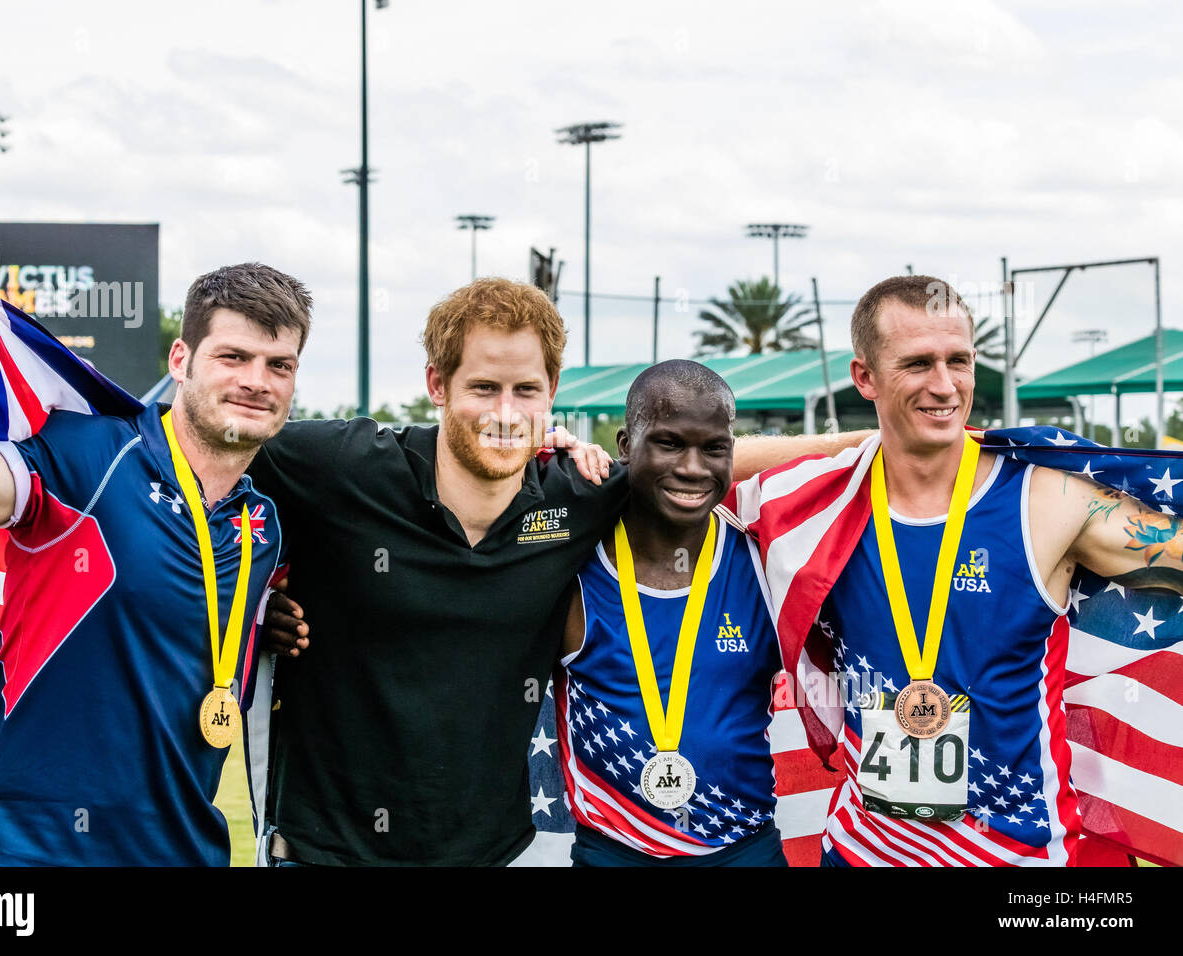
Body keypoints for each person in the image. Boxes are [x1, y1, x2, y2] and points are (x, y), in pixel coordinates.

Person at [251, 276, 865, 866]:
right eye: (484, 387)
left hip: (487, 856)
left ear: (552, 389)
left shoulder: (575, 495)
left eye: (525, 390)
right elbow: (208, 475)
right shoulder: (338, 465)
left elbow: (708, 457)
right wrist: (259, 605)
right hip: (324, 851)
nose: (505, 412)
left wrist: (899, 442)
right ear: (437, 384)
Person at [0, 241, 310, 865]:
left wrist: (269, 620)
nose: (256, 381)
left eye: (280, 365)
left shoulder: (262, 522)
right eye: (234, 357)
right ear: (181, 359)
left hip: (187, 852)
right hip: (33, 856)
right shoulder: (85, 458)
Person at [753, 275, 1183, 867]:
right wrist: (871, 437)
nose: (944, 384)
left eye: (959, 361)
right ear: (864, 378)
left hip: (1016, 856)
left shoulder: (1048, 503)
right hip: (863, 853)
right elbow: (691, 460)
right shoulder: (822, 499)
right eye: (917, 364)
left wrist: (912, 418)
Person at [556, 360, 785, 866]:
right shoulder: (571, 564)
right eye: (669, 443)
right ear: (623, 445)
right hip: (615, 850)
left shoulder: (767, 558)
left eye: (714, 448)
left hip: (742, 848)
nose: (693, 468)